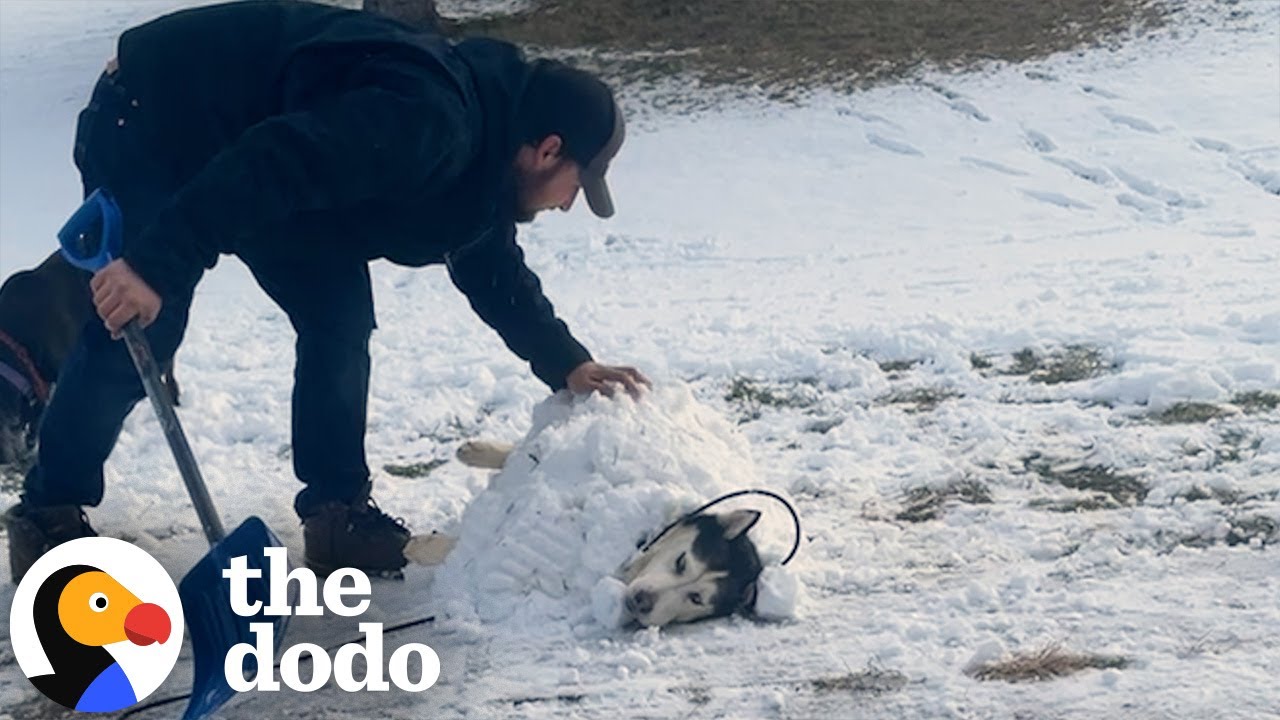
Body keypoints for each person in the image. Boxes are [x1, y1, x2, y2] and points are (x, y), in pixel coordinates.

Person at [5, 0, 649, 583]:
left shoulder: (483, 156)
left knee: (337, 316)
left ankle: (337, 516)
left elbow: (490, 264)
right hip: (160, 112)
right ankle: (48, 515)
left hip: (261, 148)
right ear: (547, 149)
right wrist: (153, 266)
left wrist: (567, 362)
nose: (569, 204)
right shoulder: (427, 121)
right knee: (143, 321)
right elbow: (273, 159)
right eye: (577, 185)